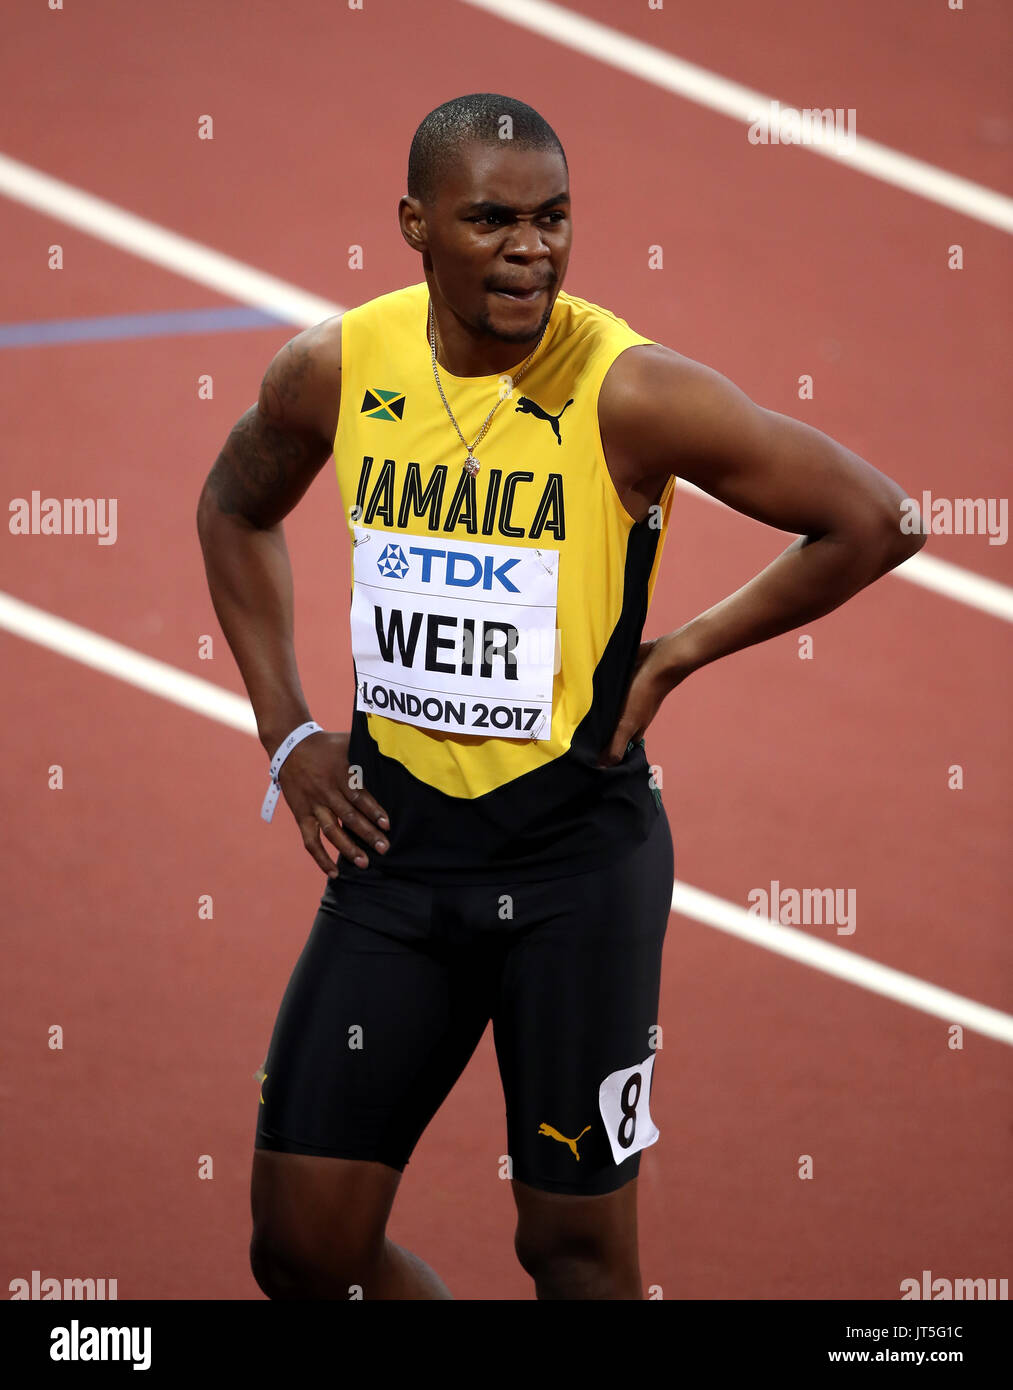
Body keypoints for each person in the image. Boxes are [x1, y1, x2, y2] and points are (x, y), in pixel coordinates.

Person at [196, 93, 925, 1301]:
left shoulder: (627, 391)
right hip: (397, 858)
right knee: (301, 1249)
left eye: (552, 218)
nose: (530, 248)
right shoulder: (337, 365)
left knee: (572, 1255)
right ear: (414, 226)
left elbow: (877, 519)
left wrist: (680, 648)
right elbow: (232, 505)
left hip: (573, 871)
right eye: (490, 219)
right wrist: (287, 734)